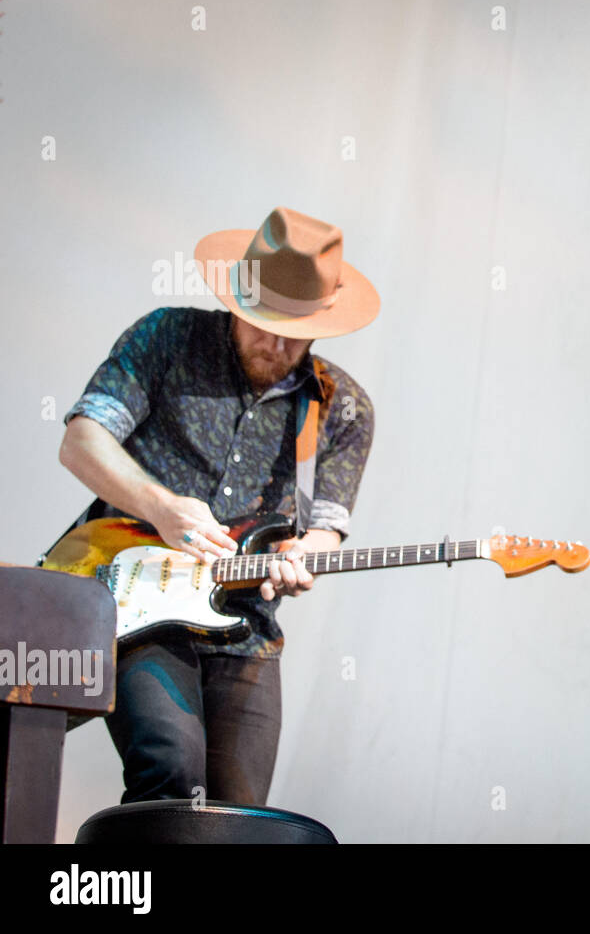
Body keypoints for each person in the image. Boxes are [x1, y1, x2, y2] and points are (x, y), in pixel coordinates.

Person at [57, 207, 378, 805]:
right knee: (173, 774)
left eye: (294, 329)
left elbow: (324, 530)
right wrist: (161, 507)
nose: (275, 342)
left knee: (240, 817)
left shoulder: (345, 409)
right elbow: (81, 441)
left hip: (242, 626)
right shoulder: (167, 337)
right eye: (260, 321)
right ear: (235, 297)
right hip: (132, 593)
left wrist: (300, 555)